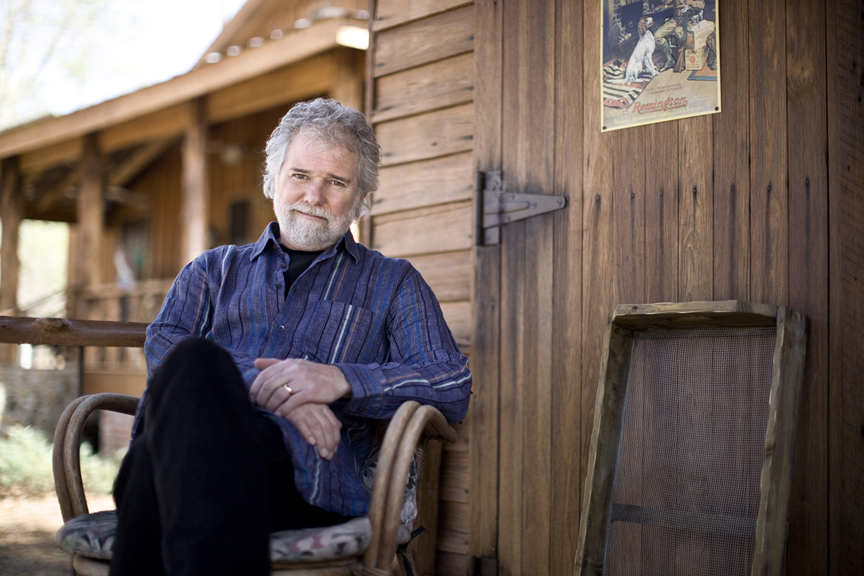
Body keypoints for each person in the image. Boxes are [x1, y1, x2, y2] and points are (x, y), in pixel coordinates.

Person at [109, 98, 472, 576]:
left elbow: (451, 383)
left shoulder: (393, 282)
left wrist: (339, 380)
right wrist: (277, 390)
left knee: (149, 467)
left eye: (336, 182)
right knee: (192, 359)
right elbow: (163, 347)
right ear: (273, 180)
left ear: (362, 197)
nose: (313, 195)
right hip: (195, 451)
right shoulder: (212, 270)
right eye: (300, 175)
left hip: (304, 477)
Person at [654, 0, 706, 71]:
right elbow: (667, 2)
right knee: (657, 35)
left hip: (688, 20)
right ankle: (670, 60)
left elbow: (702, 5)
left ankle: (684, 60)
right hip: (675, 20)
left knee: (680, 34)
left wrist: (691, 2)